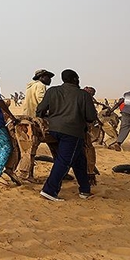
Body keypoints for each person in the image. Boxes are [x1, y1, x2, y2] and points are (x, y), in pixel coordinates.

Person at [37, 69, 98, 201]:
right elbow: (91, 117)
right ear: (76, 79)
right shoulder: (83, 95)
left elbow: (40, 110)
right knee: (64, 161)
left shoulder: (52, 91)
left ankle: (85, 190)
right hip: (72, 132)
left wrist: (50, 117)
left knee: (79, 159)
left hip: (53, 130)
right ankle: (49, 190)